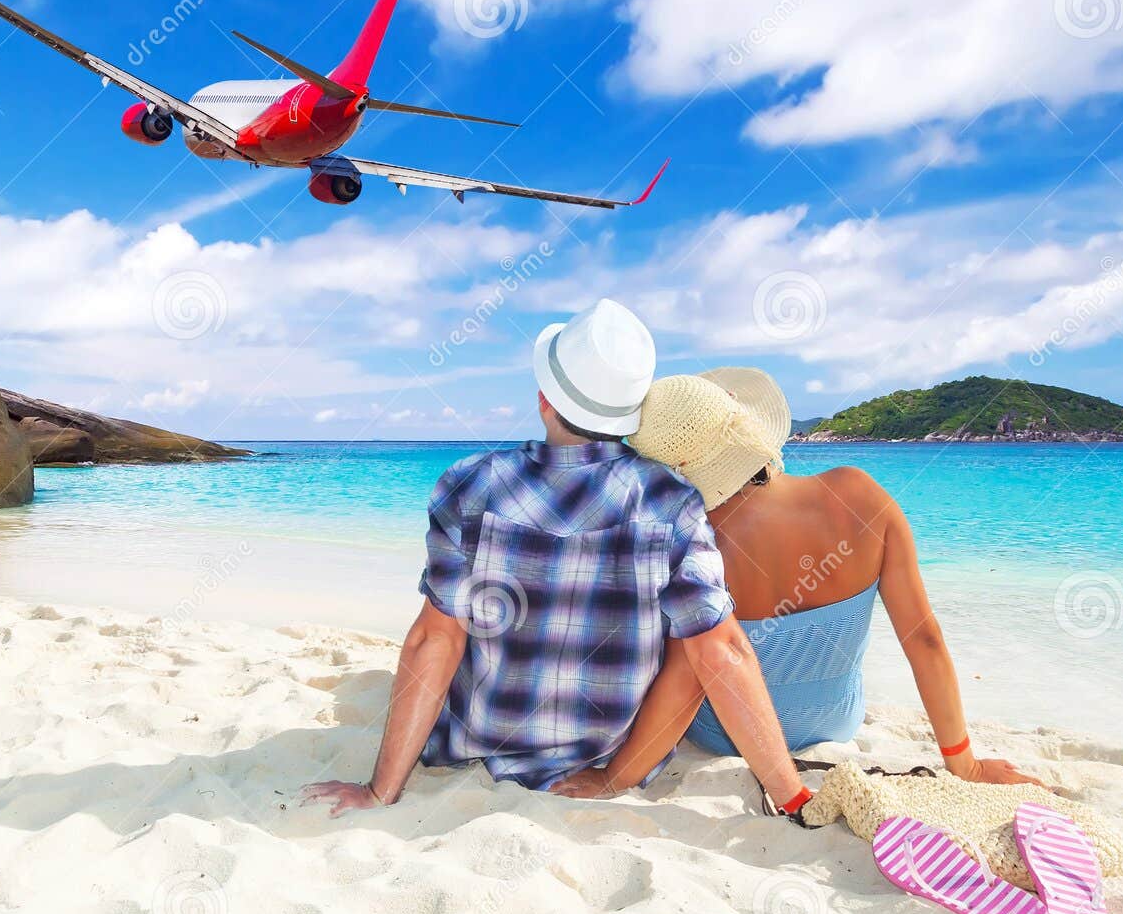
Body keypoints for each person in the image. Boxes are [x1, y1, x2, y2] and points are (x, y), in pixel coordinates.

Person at [302, 302, 811, 817]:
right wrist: (791, 797)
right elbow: (720, 653)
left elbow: (434, 639)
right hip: (602, 755)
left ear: (545, 398)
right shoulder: (672, 501)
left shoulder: (471, 484)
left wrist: (380, 792)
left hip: (479, 741)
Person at [551, 366, 1040, 799]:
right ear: (750, 429)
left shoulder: (690, 543)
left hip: (723, 736)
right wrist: (964, 763)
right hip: (835, 723)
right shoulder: (859, 496)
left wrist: (615, 779)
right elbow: (925, 641)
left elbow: (689, 678)